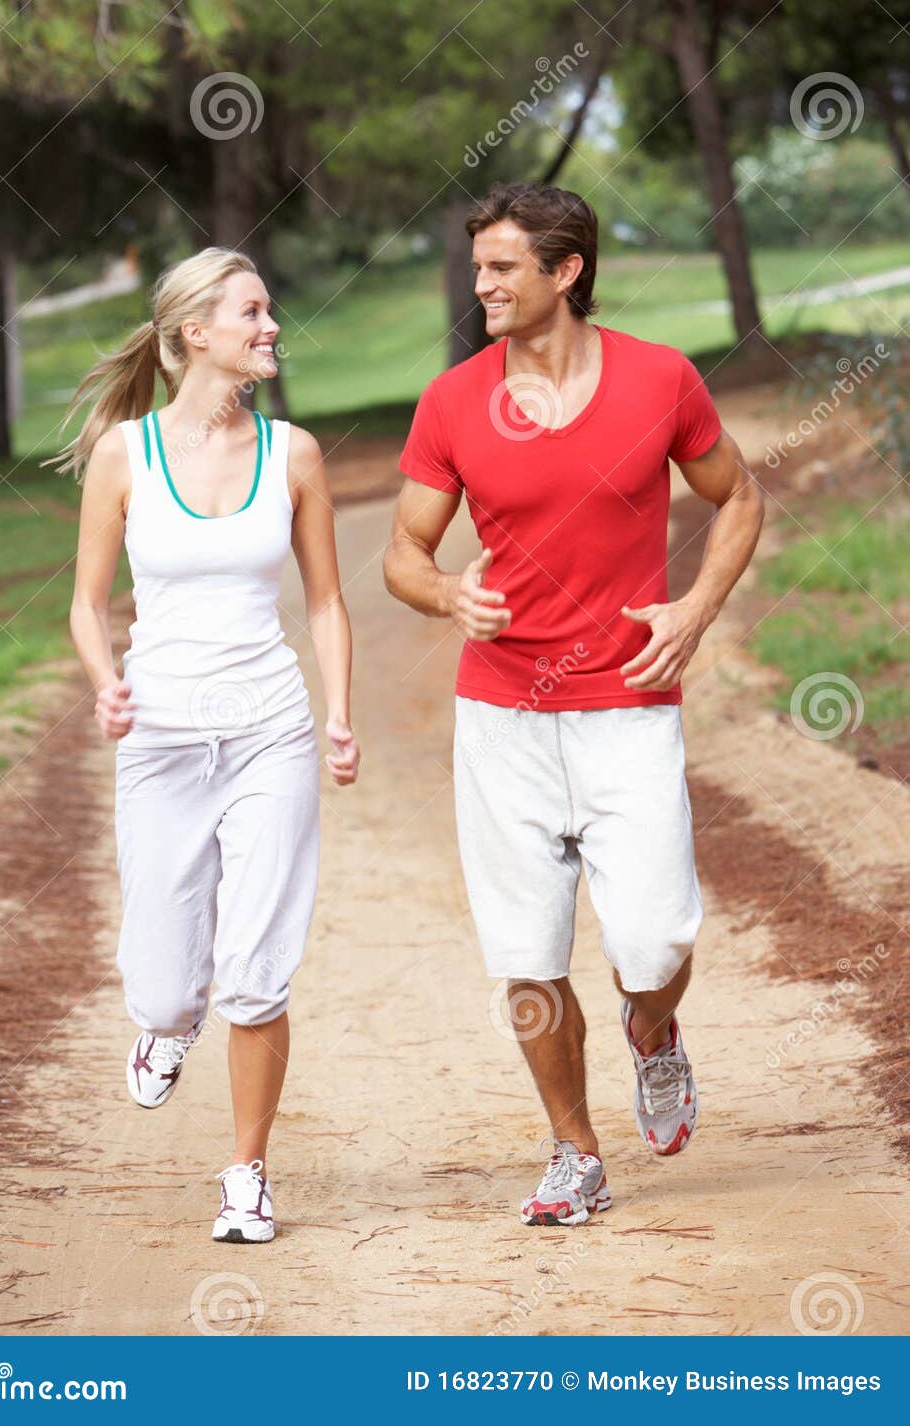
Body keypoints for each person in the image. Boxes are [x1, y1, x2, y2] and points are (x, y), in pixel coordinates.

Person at [383, 183, 763, 1229]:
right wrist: (447, 590)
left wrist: (692, 608)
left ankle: (651, 1034)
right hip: (500, 718)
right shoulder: (454, 400)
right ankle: (573, 1151)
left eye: (502, 268)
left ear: (565, 272)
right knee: (526, 953)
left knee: (650, 943)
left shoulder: (657, 379)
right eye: (476, 267)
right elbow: (401, 554)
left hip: (625, 708)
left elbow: (737, 495)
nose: (481, 286)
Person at [57, 247, 359, 1244]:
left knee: (258, 972)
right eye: (252, 312)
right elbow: (86, 604)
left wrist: (337, 711)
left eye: (269, 311)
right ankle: (165, 1019)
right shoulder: (124, 455)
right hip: (162, 742)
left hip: (268, 731)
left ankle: (246, 1174)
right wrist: (107, 686)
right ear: (196, 333)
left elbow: (323, 600)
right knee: (160, 981)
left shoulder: (294, 453)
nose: (271, 327)